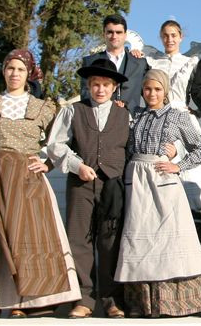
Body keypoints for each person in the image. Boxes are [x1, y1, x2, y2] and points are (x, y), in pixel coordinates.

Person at [0, 49, 81, 319]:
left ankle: (23, 301)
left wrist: (47, 164)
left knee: (25, 241)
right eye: (10, 68)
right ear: (3, 71)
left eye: (20, 69)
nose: (15, 74)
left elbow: (61, 140)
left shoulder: (43, 108)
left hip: (27, 180)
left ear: (29, 74)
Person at [114, 69, 201, 317]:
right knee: (139, 240)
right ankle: (142, 304)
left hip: (163, 182)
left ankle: (171, 303)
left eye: (157, 89)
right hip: (136, 182)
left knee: (166, 241)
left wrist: (178, 164)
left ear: (165, 91)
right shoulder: (134, 116)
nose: (152, 94)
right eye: (148, 89)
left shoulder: (177, 116)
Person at [46, 58, 131, 318]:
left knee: (110, 242)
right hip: (81, 184)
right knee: (79, 240)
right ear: (89, 85)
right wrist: (76, 165)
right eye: (95, 84)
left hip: (112, 186)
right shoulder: (73, 111)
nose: (100, 89)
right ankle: (84, 298)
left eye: (105, 84)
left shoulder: (126, 114)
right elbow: (56, 145)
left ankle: (111, 297)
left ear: (114, 87)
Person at [143, 20, 201, 240]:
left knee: (194, 172)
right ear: (161, 37)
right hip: (159, 119)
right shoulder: (152, 62)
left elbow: (199, 89)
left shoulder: (191, 62)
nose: (169, 39)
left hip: (183, 119)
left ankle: (197, 228)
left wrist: (196, 111)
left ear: (181, 37)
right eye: (165, 35)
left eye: (173, 35)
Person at [81, 14, 150, 114]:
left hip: (131, 122)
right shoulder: (89, 62)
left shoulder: (140, 64)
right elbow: (85, 95)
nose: (114, 36)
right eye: (110, 32)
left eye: (118, 32)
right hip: (98, 120)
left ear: (125, 35)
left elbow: (149, 94)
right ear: (103, 34)